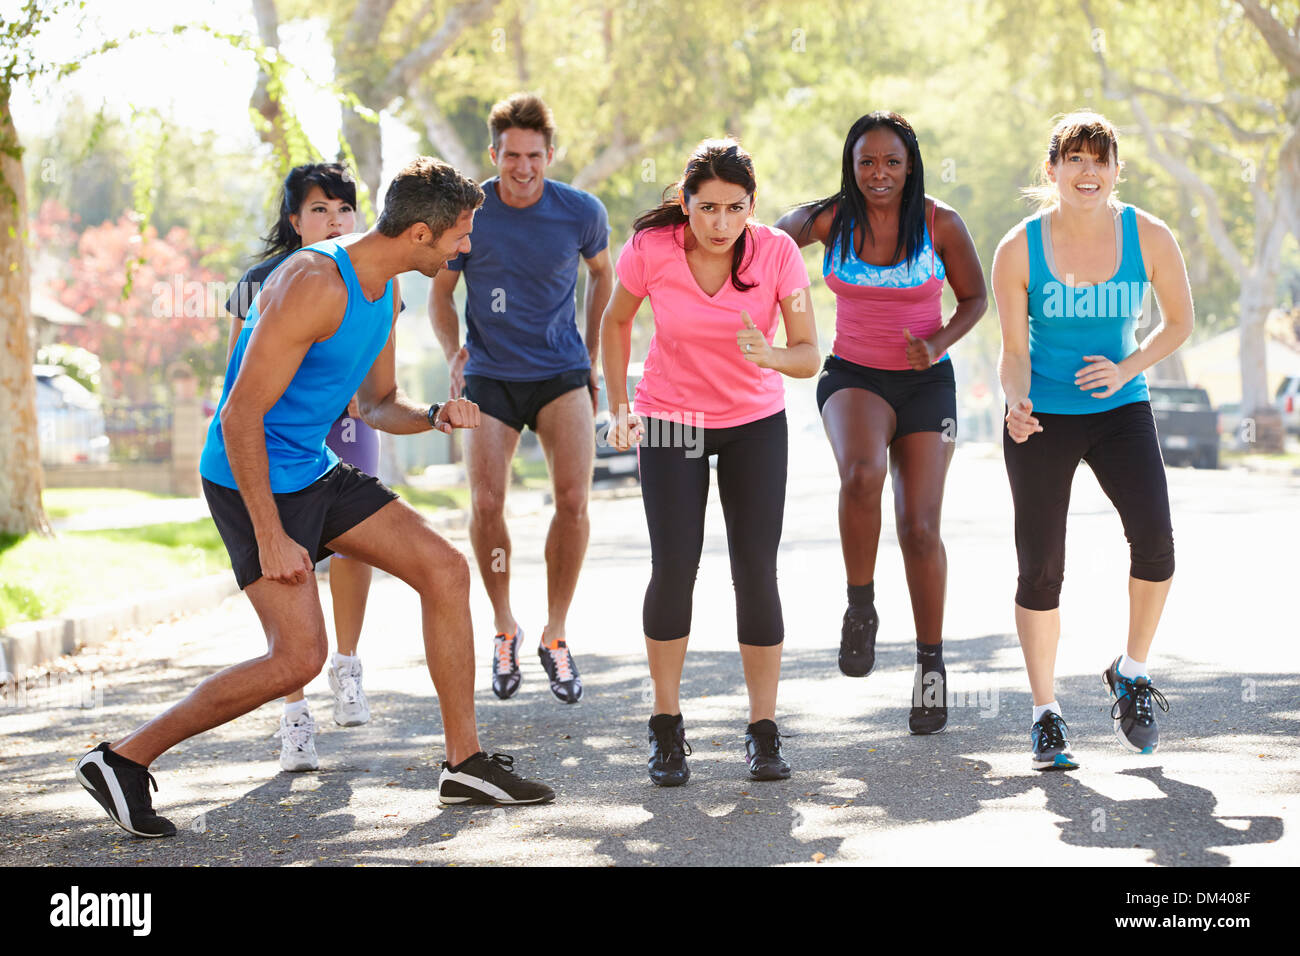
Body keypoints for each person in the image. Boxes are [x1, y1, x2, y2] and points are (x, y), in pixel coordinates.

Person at [75, 158, 555, 839]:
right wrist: (271, 534)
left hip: (311, 468)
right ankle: (121, 759)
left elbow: (376, 403)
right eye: (460, 234)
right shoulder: (313, 283)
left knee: (444, 571)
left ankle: (464, 762)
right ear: (420, 233)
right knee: (297, 659)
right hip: (250, 478)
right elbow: (239, 417)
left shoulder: (385, 290)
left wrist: (433, 416)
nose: (465, 247)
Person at [602, 138, 819, 786]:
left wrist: (772, 355)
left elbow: (809, 354)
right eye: (707, 209)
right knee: (674, 567)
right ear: (685, 202)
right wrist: (618, 406)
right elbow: (616, 323)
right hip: (673, 420)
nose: (721, 223)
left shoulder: (777, 253)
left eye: (735, 208)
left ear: (753, 205)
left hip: (754, 424)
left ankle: (763, 729)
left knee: (755, 570)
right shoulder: (651, 250)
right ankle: (666, 726)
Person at [991, 111, 1193, 770]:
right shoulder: (1019, 248)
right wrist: (1016, 402)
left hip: (1120, 408)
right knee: (1042, 565)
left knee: (1157, 540)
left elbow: (1179, 322)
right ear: (1051, 171)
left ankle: (1131, 672)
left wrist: (1127, 369)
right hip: (1042, 415)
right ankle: (1046, 714)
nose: (1088, 172)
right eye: (1074, 159)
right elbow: (1013, 351)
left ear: (1115, 171)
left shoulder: (1150, 237)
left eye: (1100, 160)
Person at [775, 111, 987, 734]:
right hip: (854, 376)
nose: (879, 174)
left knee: (920, 527)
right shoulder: (833, 218)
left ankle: (930, 664)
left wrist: (940, 340)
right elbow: (775, 239)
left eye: (891, 161)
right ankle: (860, 606)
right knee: (862, 473)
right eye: (867, 162)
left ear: (911, 164)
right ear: (852, 164)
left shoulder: (940, 223)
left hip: (927, 383)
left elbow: (975, 298)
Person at [430, 93, 613, 705]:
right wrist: (454, 350)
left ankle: (555, 634)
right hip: (491, 376)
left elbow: (604, 276)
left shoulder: (581, 212)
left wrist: (591, 356)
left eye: (535, 155)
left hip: (562, 373)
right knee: (485, 501)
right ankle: (505, 625)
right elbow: (440, 293)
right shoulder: (470, 212)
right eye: (512, 155)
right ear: (495, 155)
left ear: (550, 155)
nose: (524, 167)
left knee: (573, 499)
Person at [225, 162, 384, 773]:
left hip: (346, 427)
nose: (334, 220)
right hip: (278, 442)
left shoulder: (371, 277)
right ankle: (293, 713)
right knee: (286, 563)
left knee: (355, 547)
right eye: (319, 209)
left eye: (344, 209)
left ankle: (346, 662)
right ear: (294, 220)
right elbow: (243, 373)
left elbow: (373, 372)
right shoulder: (262, 282)